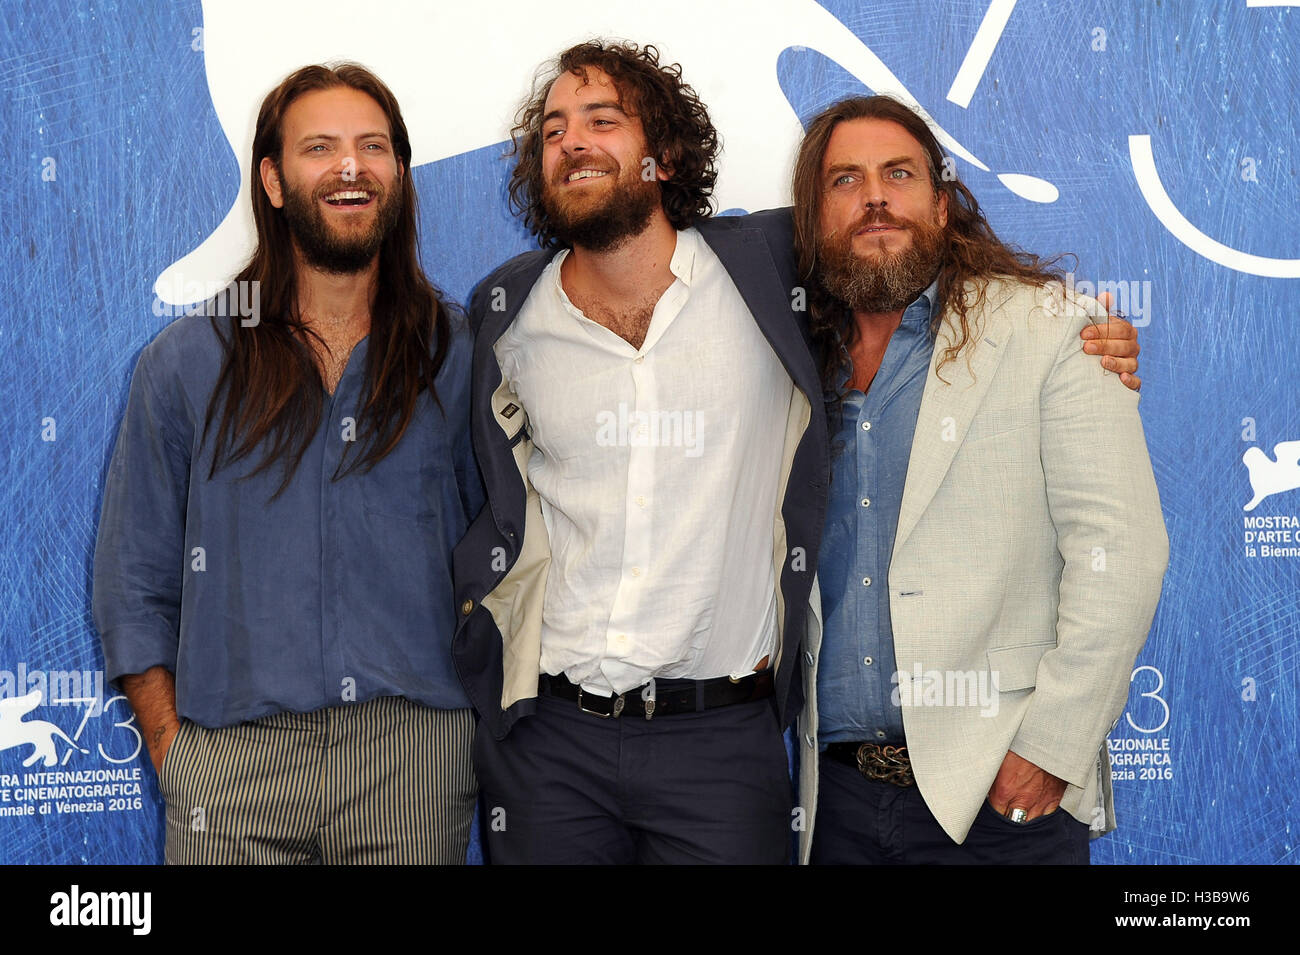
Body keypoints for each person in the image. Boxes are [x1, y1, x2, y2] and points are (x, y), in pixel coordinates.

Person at [453, 42, 1143, 864]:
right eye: (555, 129)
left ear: (663, 155)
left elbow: (887, 241)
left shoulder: (757, 272)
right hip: (563, 742)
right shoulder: (508, 310)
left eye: (604, 120)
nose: (574, 142)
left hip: (731, 745)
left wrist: (1087, 328)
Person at [92, 64, 481, 864]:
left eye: (373, 147)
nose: (350, 167)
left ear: (399, 176)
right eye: (319, 148)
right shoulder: (187, 361)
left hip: (411, 762)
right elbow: (133, 577)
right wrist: (177, 751)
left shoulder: (460, 353)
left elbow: (506, 555)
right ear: (272, 180)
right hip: (229, 767)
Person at [789, 95, 1169, 865]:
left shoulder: (1052, 328)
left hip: (998, 797)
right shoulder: (789, 354)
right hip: (833, 805)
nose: (874, 198)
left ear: (940, 199)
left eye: (898, 174)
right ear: (813, 214)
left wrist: (1051, 746)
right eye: (844, 181)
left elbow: (1122, 552)